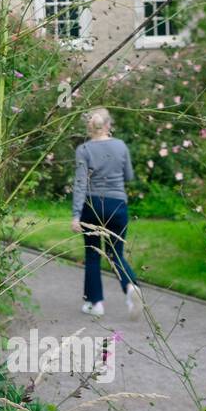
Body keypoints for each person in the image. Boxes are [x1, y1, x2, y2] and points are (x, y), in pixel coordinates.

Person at [70, 108, 142, 317]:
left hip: (92, 206)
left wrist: (76, 215)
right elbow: (128, 176)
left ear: (89, 127)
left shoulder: (83, 149)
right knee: (115, 253)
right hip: (117, 205)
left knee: (93, 255)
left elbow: (81, 183)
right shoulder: (120, 146)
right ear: (109, 125)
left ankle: (95, 303)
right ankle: (130, 288)